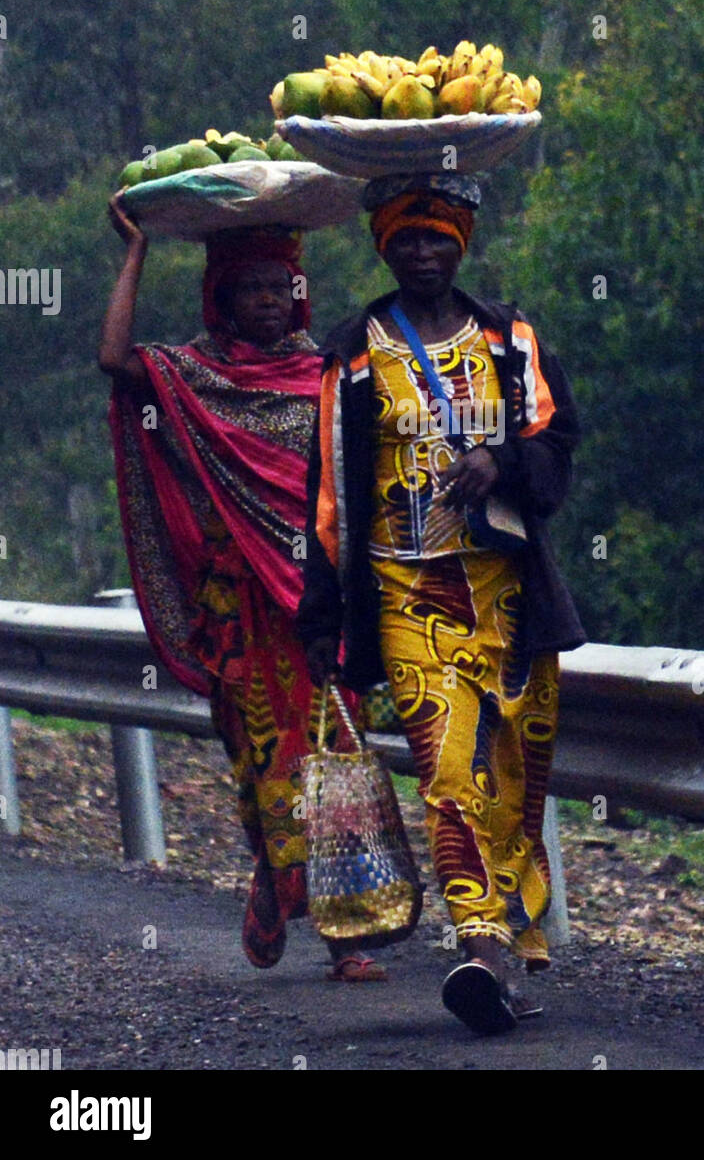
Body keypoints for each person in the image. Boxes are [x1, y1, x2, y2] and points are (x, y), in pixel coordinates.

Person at [298, 171, 585, 1033]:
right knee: (447, 775)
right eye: (405, 238)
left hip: (507, 596)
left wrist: (502, 461)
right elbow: (326, 494)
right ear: (382, 244)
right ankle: (478, 945)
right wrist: (324, 615)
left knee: (515, 780)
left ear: (461, 243)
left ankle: (504, 950)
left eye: (437, 237)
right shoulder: (352, 354)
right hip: (405, 591)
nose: (421, 251)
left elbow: (558, 439)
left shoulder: (508, 336)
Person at [98, 193, 385, 982]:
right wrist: (135, 254)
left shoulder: (325, 373)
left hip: (320, 604)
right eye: (249, 289)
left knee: (335, 756)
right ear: (219, 298)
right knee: (266, 760)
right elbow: (115, 360)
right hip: (242, 608)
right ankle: (275, 872)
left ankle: (345, 931)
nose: (267, 302)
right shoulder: (194, 375)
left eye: (278, 287)